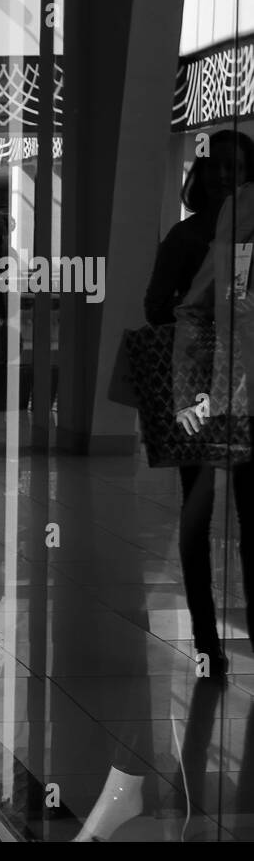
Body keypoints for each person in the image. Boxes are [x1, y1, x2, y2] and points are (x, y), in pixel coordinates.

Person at [144, 129, 254, 679]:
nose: (228, 175)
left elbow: (158, 307)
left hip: (220, 388)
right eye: (220, 166)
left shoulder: (211, 234)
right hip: (206, 390)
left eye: (238, 166)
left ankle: (213, 642)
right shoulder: (196, 237)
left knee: (205, 513)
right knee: (199, 513)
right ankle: (208, 640)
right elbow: (157, 305)